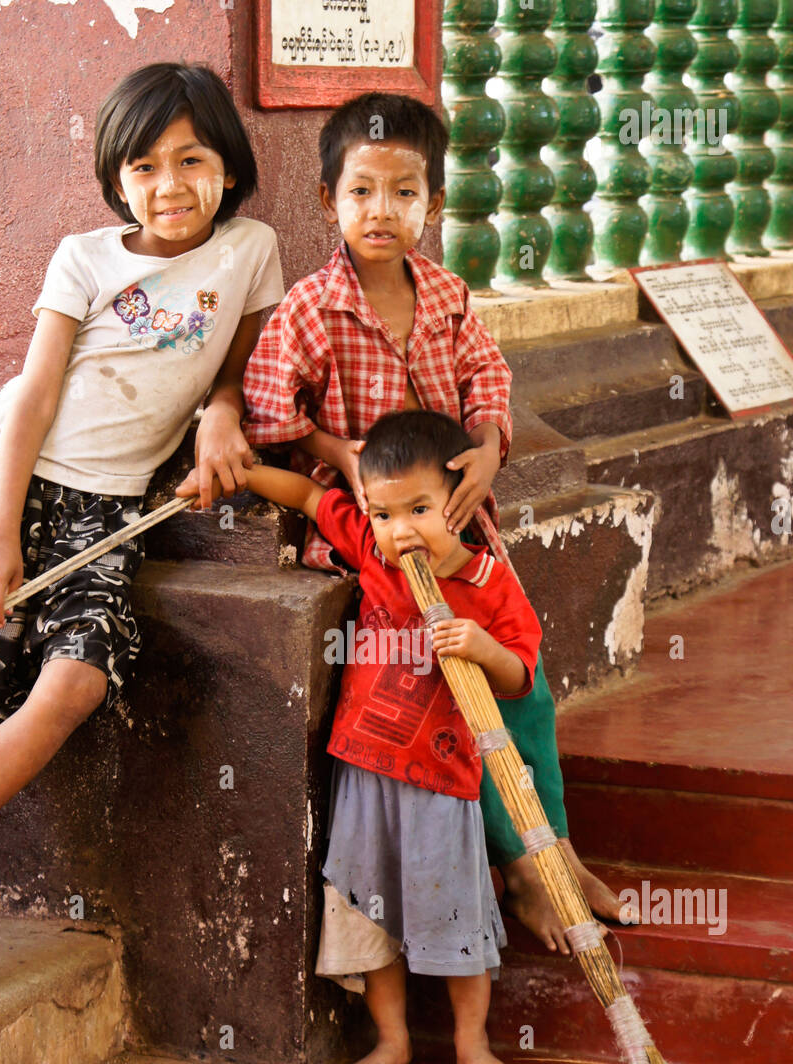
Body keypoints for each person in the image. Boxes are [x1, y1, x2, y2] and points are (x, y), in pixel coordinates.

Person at [241, 91, 630, 954]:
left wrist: (491, 447)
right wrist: (333, 452)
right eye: (362, 191)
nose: (383, 211)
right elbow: (268, 410)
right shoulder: (311, 308)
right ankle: (525, 871)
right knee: (466, 702)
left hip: (466, 540)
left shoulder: (449, 296)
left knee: (528, 692)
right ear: (327, 201)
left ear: (435, 203)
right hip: (386, 553)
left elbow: (490, 382)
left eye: (405, 193)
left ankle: (557, 847)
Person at [0, 62, 283, 1002]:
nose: (168, 185)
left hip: (113, 506)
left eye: (190, 159)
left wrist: (221, 416)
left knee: (76, 678)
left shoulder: (252, 247)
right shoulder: (83, 256)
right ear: (115, 177)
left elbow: (239, 369)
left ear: (229, 163)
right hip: (8, 483)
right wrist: (0, 533)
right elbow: (37, 394)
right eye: (143, 167)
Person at [244, 410, 543, 1064]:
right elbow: (312, 498)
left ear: (459, 503)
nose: (399, 530)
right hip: (363, 772)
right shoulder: (377, 559)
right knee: (364, 909)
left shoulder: (490, 585)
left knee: (456, 913)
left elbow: (521, 675)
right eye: (383, 514)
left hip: (443, 781)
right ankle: (394, 1039)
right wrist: (231, 472)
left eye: (420, 509)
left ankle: (472, 1044)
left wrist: (482, 647)